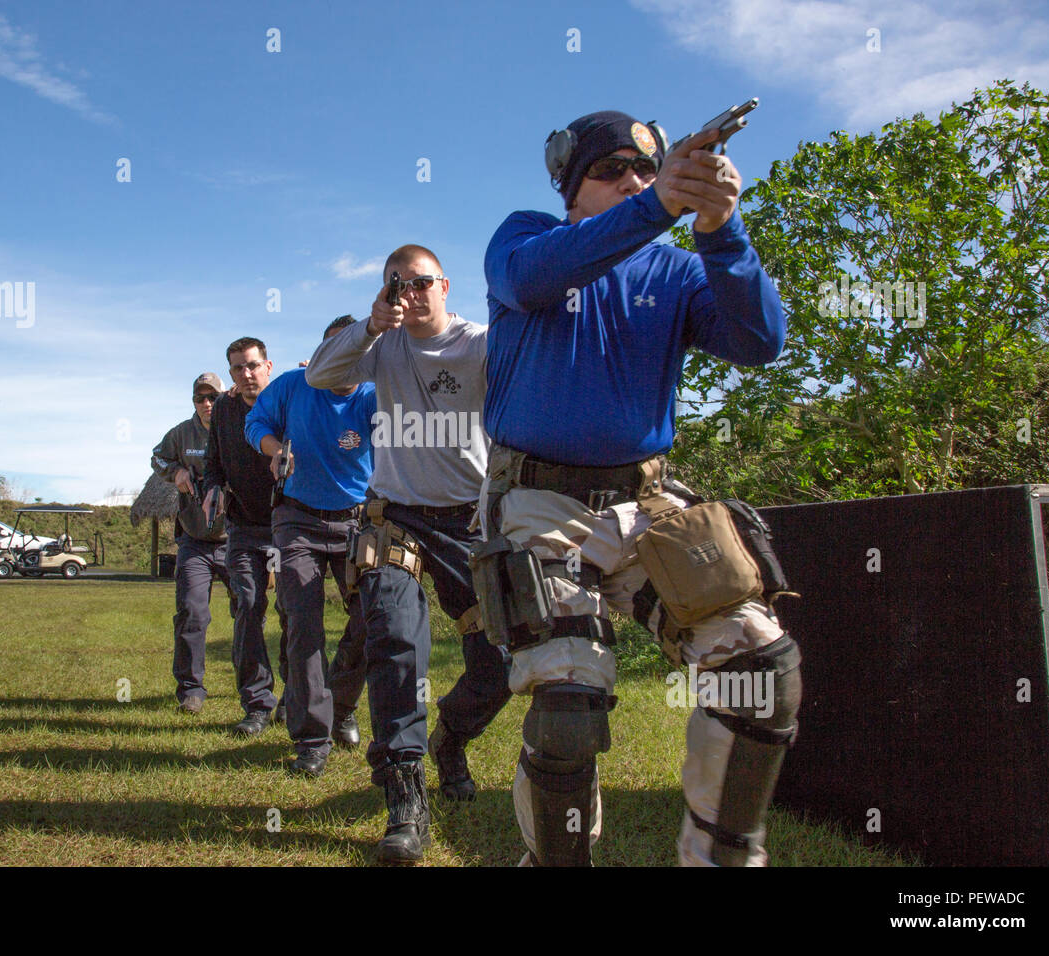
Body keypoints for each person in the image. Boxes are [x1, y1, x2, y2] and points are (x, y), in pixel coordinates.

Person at [481, 110, 801, 866]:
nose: (633, 179)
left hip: (648, 502)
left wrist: (721, 230)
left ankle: (717, 856)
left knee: (760, 671)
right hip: (539, 503)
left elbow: (762, 343)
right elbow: (532, 279)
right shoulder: (524, 237)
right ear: (571, 185)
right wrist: (656, 206)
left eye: (646, 169)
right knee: (567, 705)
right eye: (611, 168)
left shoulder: (679, 269)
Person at [306, 246, 513, 863]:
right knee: (396, 640)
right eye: (398, 285)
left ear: (444, 285)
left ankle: (451, 738)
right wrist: (369, 323)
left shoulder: (480, 343)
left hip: (469, 523)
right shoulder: (382, 345)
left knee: (499, 664)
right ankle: (404, 795)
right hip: (395, 517)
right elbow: (321, 373)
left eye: (421, 282)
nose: (411, 293)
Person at [244, 315, 377, 776]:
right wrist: (273, 447)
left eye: (349, 354)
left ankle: (342, 705)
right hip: (297, 518)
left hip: (358, 521)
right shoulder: (292, 385)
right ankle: (312, 738)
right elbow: (255, 419)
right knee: (302, 621)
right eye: (330, 354)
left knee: (369, 619)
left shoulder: (377, 394)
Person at [201, 338, 289, 736]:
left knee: (295, 611)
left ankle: (297, 697)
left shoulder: (289, 399)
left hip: (290, 525)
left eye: (253, 365)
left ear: (268, 366)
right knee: (248, 607)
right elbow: (213, 462)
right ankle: (256, 704)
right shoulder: (223, 409)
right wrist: (213, 488)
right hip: (243, 527)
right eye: (237, 368)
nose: (246, 374)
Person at [151, 372, 235, 714]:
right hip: (194, 540)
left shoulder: (237, 425)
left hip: (236, 540)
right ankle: (190, 689)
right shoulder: (180, 434)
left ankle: (254, 688)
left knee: (250, 612)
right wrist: (176, 473)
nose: (206, 404)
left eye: (212, 397)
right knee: (191, 612)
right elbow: (156, 458)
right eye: (200, 398)